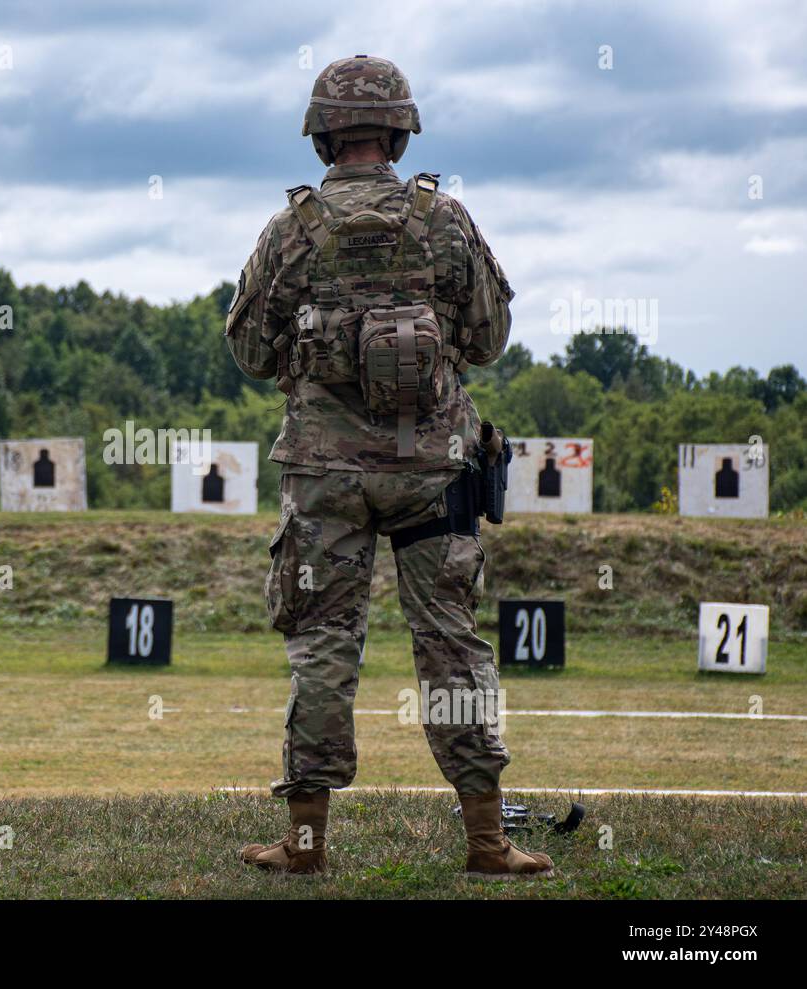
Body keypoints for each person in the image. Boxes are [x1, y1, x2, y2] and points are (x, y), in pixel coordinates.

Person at [225, 55, 552, 880]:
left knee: (323, 648)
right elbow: (487, 337)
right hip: (432, 474)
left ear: (323, 133)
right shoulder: (446, 219)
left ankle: (304, 848)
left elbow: (251, 350)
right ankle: (486, 843)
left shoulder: (290, 230)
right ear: (401, 129)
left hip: (325, 477)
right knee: (451, 648)